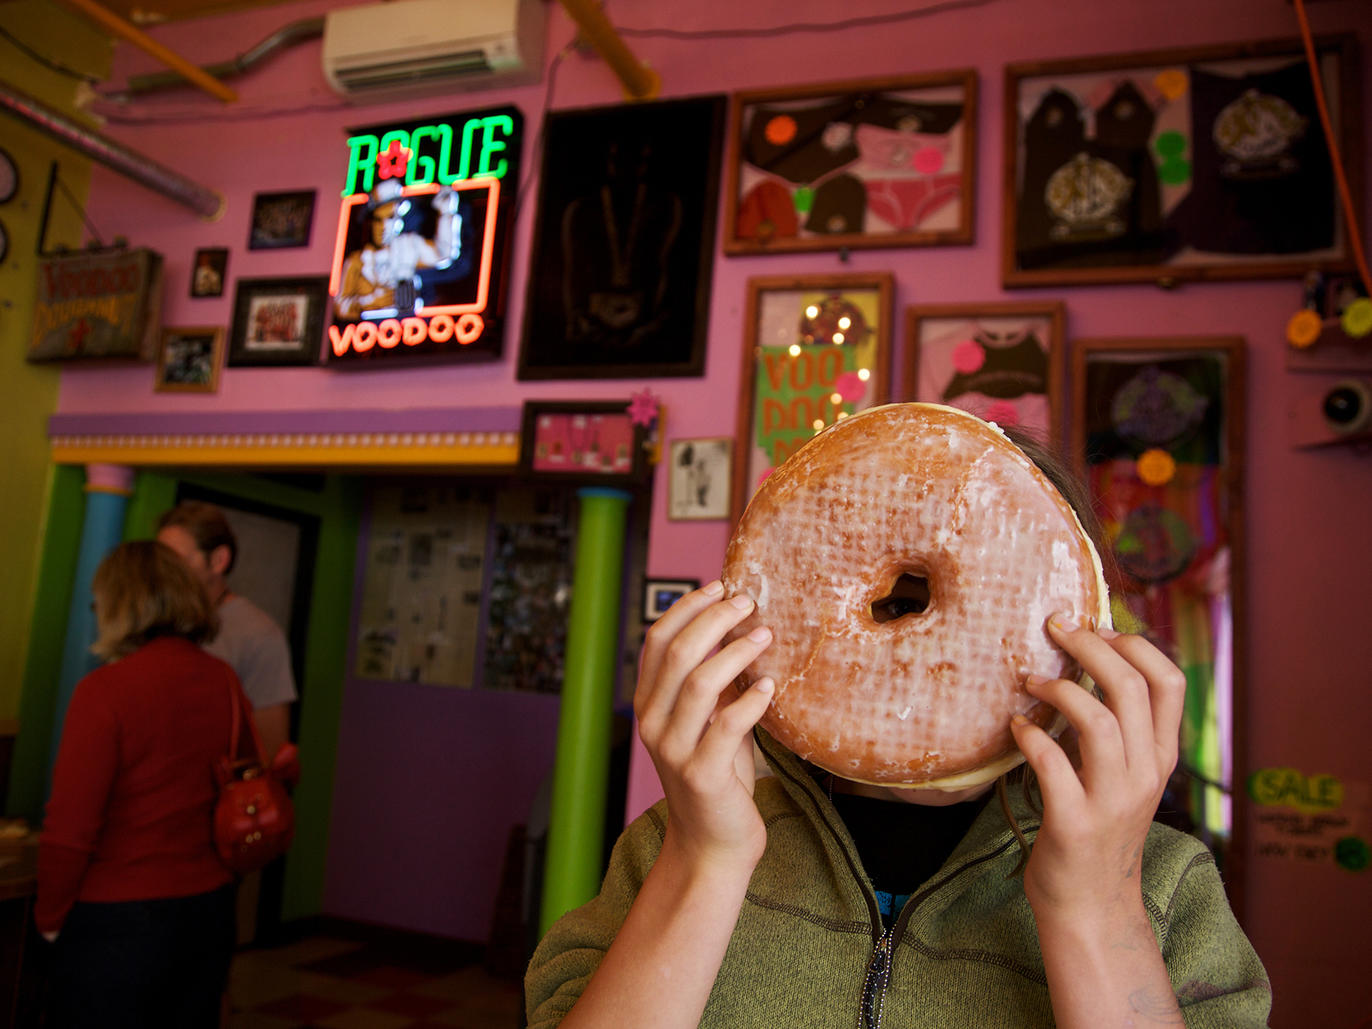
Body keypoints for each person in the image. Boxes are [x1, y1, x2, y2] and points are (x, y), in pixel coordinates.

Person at [524, 426, 1271, 1028]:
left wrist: (1097, 904)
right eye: (896, 603)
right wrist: (704, 864)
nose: (919, 672)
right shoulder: (672, 842)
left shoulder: (1166, 888)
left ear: (1088, 630)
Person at [37, 541, 250, 1028]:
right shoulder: (224, 681)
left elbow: (71, 829)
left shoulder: (104, 691)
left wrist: (49, 922)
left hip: (118, 920)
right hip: (209, 909)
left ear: (119, 605)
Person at [156, 500, 297, 761]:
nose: (162, 573)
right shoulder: (156, 618)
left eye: (175, 561)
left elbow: (270, 748)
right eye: (159, 561)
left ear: (219, 560)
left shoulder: (259, 634)